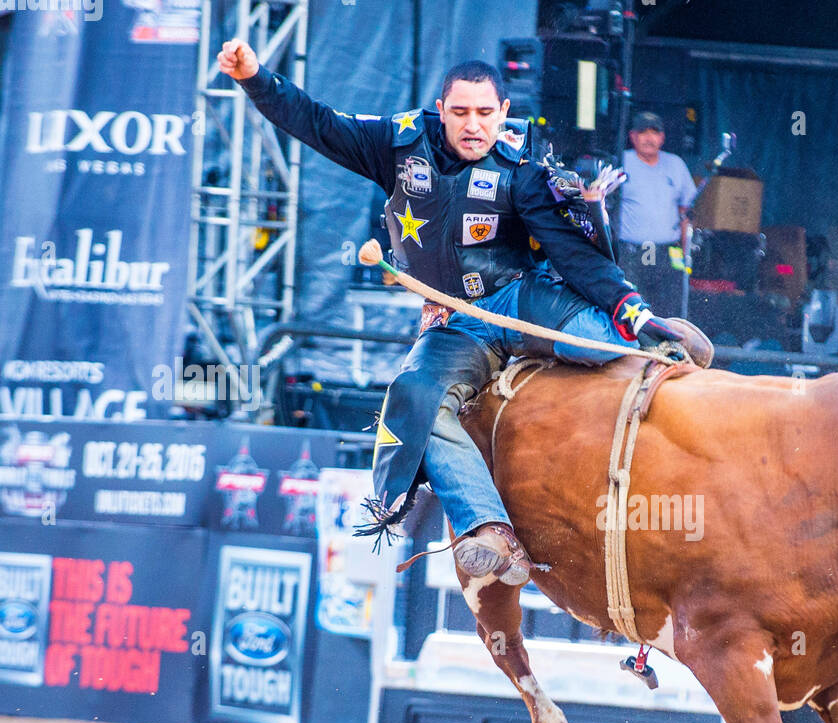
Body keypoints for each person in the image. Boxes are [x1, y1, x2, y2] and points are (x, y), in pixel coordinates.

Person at [217, 41, 706, 586]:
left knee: (599, 344)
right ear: (440, 109)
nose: (473, 126)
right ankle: (488, 530)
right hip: (455, 320)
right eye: (460, 112)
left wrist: (638, 317)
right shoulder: (397, 143)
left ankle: (663, 336)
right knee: (416, 399)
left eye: (484, 113)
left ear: (503, 113)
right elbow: (318, 123)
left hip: (519, 295)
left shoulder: (522, 167)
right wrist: (256, 77)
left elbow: (574, 257)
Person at [617, 111, 697, 318]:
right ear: (632, 136)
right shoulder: (621, 162)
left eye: (654, 133)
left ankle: (665, 348)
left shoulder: (676, 165)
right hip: (631, 252)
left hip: (668, 252)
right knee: (632, 309)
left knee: (669, 309)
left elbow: (685, 210)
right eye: (643, 132)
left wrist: (684, 252)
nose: (649, 138)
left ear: (662, 138)